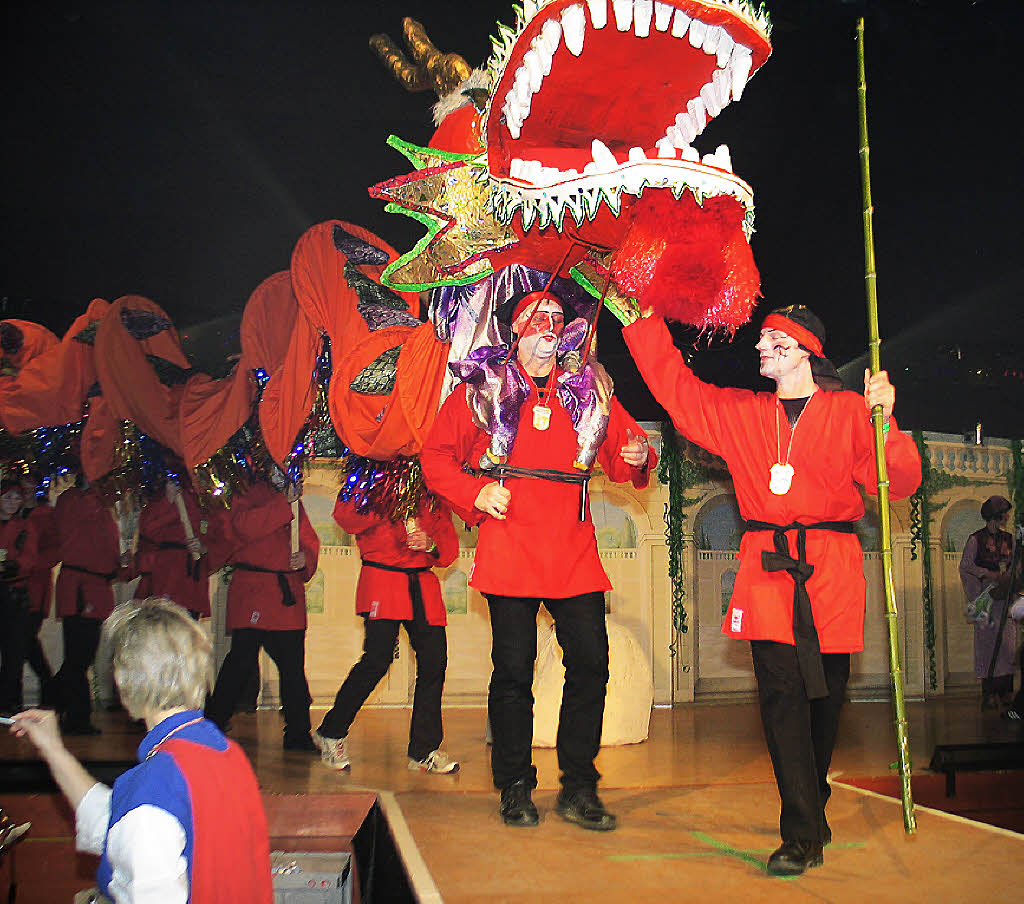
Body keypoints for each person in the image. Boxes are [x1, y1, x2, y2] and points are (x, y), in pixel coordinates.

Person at [622, 304, 921, 875]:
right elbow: (677, 390)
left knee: (825, 703)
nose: (761, 347)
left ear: (807, 351)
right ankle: (800, 832)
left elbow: (901, 481)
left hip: (831, 568)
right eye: (761, 340)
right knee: (783, 698)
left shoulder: (851, 410)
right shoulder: (742, 413)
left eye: (775, 340)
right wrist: (640, 320)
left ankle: (813, 798)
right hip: (767, 568)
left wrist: (886, 420)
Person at [422, 289, 654, 831]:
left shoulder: (591, 388)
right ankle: (515, 785)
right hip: (511, 544)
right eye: (538, 317)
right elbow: (436, 456)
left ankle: (578, 786)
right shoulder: (484, 387)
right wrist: (476, 492)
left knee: (591, 663)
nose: (550, 325)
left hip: (573, 547)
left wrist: (639, 455)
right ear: (515, 329)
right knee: (513, 671)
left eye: (558, 317)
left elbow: (626, 453)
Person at [9, 596, 273, 903]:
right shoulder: (228, 754)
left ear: (123, 682)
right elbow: (117, 820)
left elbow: (138, 840)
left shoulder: (154, 785)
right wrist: (53, 750)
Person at [313, 494, 459, 773]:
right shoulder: (372, 480)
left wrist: (431, 544)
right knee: (377, 660)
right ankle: (331, 732)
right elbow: (345, 518)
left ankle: (424, 749)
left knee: (434, 662)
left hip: (422, 583)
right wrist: (386, 502)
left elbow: (448, 548)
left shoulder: (430, 491)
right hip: (383, 579)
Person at [204, 473, 319, 751]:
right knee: (240, 661)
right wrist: (283, 502)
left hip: (285, 594)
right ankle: (213, 724)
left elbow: (307, 539)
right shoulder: (246, 491)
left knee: (292, 666)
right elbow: (244, 528)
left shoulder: (291, 499)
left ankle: (298, 733)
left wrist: (305, 558)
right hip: (254, 590)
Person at [52, 474, 131, 735]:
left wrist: (120, 562)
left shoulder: (101, 507)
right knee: (78, 658)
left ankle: (54, 705)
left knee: (80, 657)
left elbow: (103, 547)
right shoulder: (73, 500)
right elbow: (72, 536)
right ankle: (75, 717)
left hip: (95, 589)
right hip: (81, 588)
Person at [959, 495, 1017, 710]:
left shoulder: (1010, 539)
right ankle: (989, 693)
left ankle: (1007, 691)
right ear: (996, 515)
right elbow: (966, 566)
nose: (1007, 517)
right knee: (986, 645)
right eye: (1004, 513)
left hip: (1005, 597)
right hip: (986, 597)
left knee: (1008, 644)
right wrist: (987, 575)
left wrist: (1009, 578)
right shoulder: (976, 540)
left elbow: (1016, 565)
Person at [135, 478, 213, 620]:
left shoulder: (206, 501)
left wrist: (204, 548)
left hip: (194, 580)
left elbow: (220, 538)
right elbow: (147, 529)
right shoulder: (162, 497)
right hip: (169, 575)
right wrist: (168, 501)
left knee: (189, 626)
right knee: (165, 623)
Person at [0, 479, 36, 714]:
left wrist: (13, 566)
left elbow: (30, 558)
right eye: (7, 497)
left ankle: (10, 702)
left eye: (16, 498)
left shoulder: (25, 526)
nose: (12, 502)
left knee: (14, 653)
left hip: (15, 594)